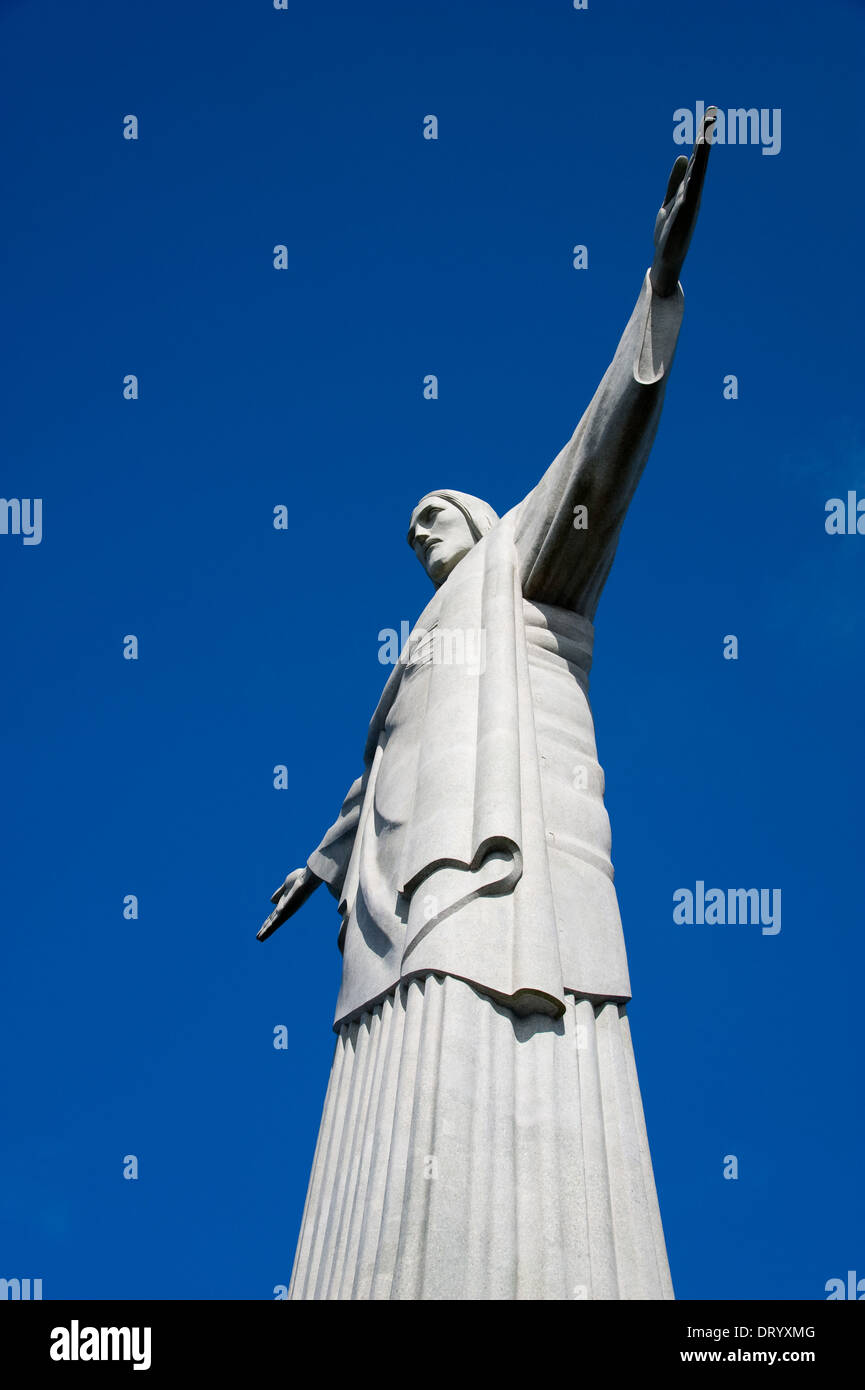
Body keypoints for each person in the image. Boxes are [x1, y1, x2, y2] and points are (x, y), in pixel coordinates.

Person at [259, 110, 716, 1300]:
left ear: (474, 517)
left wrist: (656, 286)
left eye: (434, 515)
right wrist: (320, 861)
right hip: (388, 898)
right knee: (394, 1074)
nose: (421, 534)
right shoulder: (412, 660)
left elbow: (599, 453)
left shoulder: (518, 558)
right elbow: (372, 774)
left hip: (499, 873)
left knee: (501, 1042)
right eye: (411, 528)